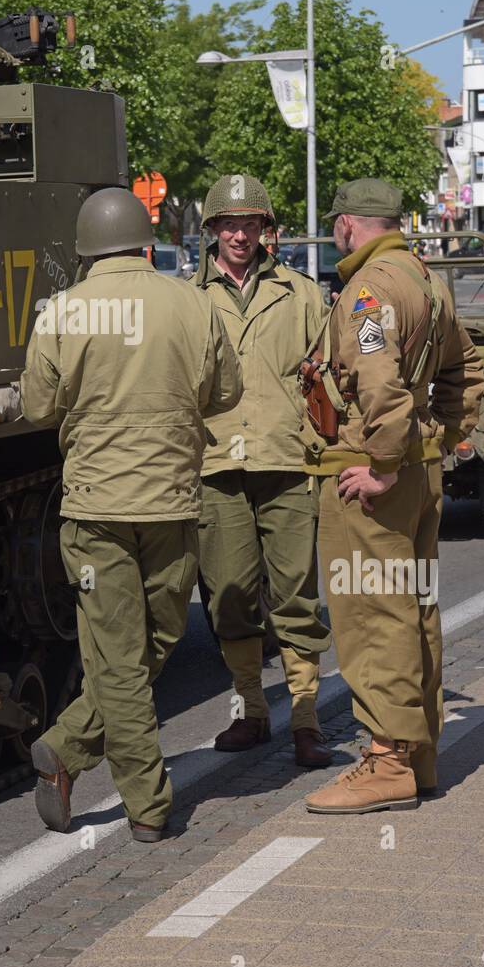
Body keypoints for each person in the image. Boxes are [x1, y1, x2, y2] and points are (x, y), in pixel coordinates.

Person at [20, 187, 241, 841]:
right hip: (171, 502)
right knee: (158, 641)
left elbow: (37, 408)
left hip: (93, 510)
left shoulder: (60, 311)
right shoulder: (191, 304)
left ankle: (66, 745)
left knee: (117, 657)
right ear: (146, 241)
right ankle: (149, 802)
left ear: (85, 249)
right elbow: (225, 392)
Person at [303, 179, 484, 813]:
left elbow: (377, 380)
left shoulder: (370, 289)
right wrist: (443, 437)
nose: (333, 235)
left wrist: (381, 464)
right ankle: (420, 753)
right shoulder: (430, 282)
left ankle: (388, 760)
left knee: (373, 613)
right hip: (420, 470)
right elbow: (467, 370)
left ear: (349, 225)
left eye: (335, 226)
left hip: (370, 478)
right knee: (415, 610)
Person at [193, 175, 333, 768]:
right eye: (228, 223)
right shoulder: (189, 300)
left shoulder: (302, 294)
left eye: (249, 223)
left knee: (297, 595)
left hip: (286, 460)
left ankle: (305, 716)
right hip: (218, 462)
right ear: (211, 232)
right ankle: (252, 709)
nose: (239, 233)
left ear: (264, 230)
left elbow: (328, 378)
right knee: (227, 594)